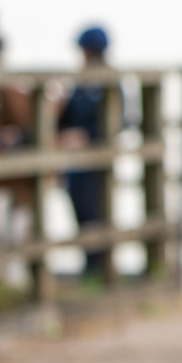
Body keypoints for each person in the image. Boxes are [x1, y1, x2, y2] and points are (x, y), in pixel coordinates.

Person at [59, 26, 111, 281]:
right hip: (76, 163)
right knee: (80, 211)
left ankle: (98, 268)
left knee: (95, 212)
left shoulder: (109, 83)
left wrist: (88, 137)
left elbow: (116, 122)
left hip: (96, 161)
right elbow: (64, 118)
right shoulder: (80, 83)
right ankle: (90, 268)